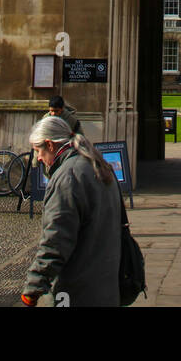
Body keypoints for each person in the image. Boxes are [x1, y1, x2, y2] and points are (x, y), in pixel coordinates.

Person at [21, 116, 122, 308]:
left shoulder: (68, 177)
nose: (38, 159)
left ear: (50, 145)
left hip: (77, 289)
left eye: (38, 151)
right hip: (106, 284)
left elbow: (56, 239)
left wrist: (34, 284)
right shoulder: (98, 165)